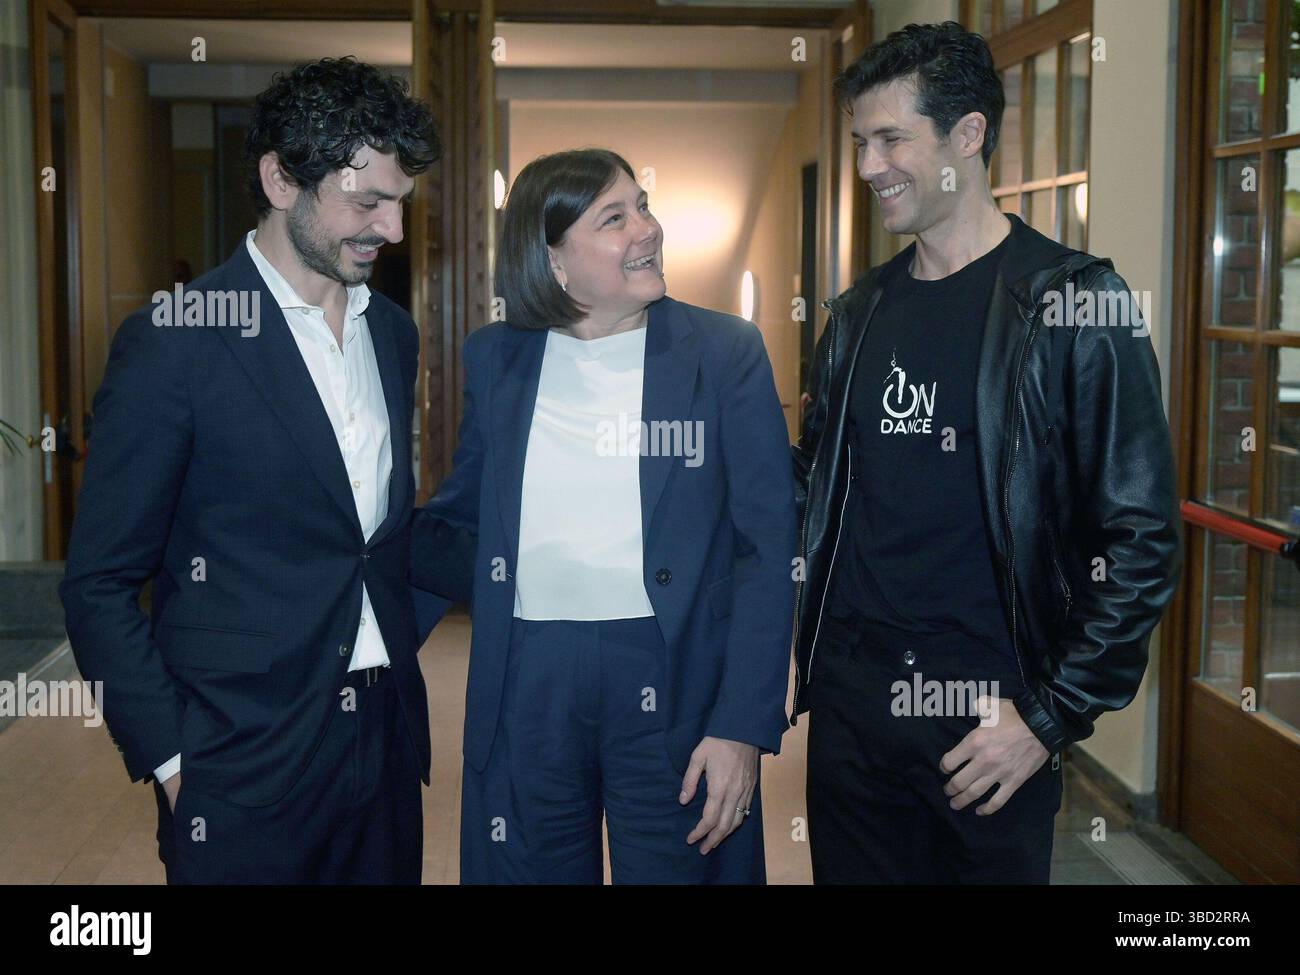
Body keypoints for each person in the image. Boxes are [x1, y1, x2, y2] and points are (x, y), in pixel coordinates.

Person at [791, 22, 1180, 884]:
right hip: (853, 712)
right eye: (861, 141)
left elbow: (1142, 539)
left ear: (967, 136)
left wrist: (1045, 719)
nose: (866, 166)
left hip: (986, 718)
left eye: (891, 139)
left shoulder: (1076, 304)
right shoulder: (857, 315)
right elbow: (814, 487)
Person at [60, 57, 440, 883]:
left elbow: (373, 540)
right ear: (279, 179)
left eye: (400, 202)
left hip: (381, 745)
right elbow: (97, 582)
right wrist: (171, 758)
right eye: (366, 199)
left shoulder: (393, 336)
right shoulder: (178, 340)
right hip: (240, 762)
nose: (392, 229)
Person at [411, 148, 797, 884]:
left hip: (672, 672)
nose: (647, 229)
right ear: (553, 261)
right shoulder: (498, 358)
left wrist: (742, 725)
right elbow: (463, 519)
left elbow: (767, 549)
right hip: (529, 675)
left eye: (643, 206)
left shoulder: (724, 353)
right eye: (614, 218)